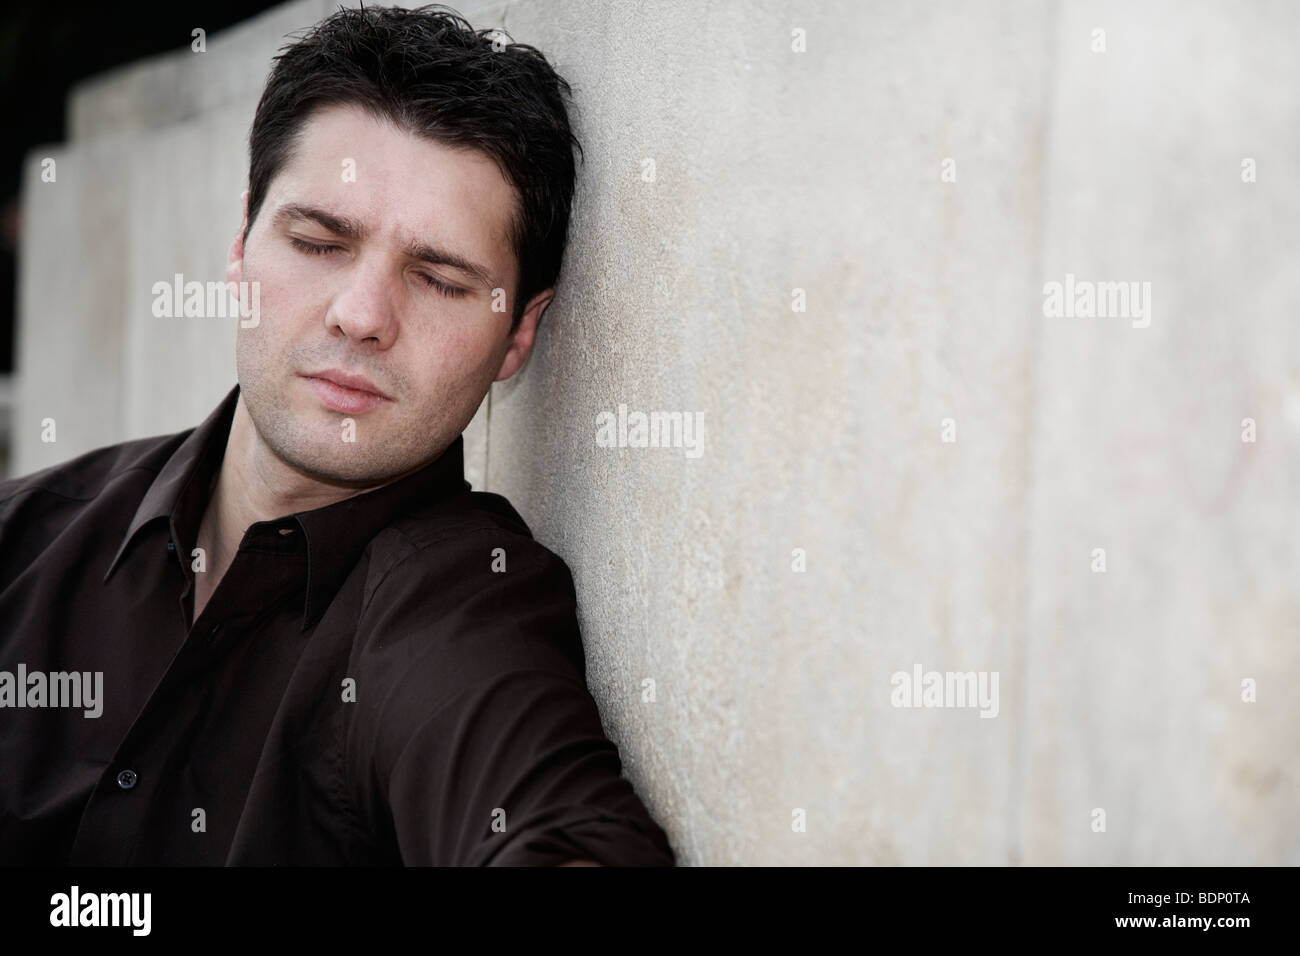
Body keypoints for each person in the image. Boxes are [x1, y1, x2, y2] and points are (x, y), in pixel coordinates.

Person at [0, 4, 675, 867]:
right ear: (242, 246)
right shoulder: (24, 538)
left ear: (518, 335)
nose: (361, 317)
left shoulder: (455, 608)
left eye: (438, 278)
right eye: (320, 242)